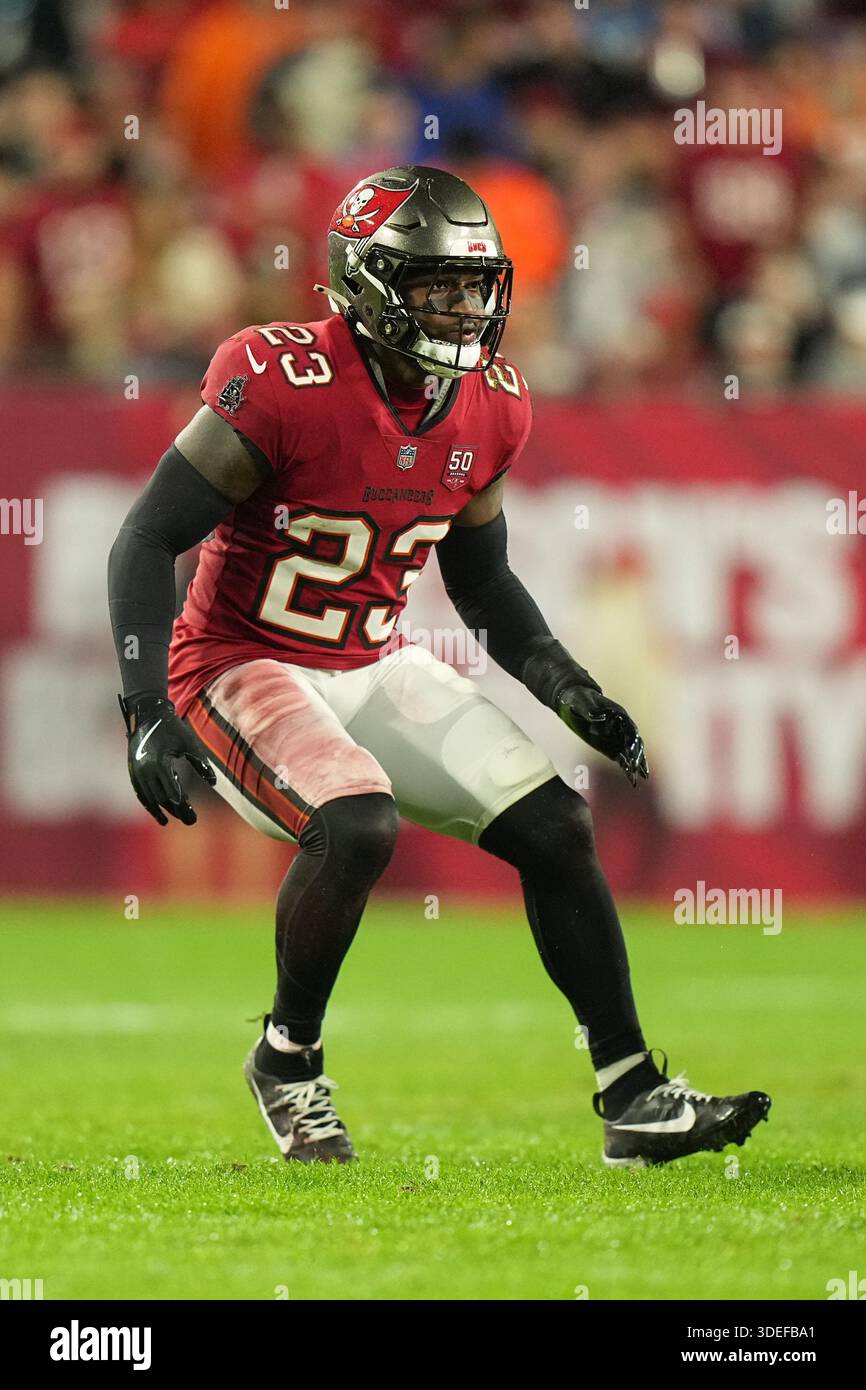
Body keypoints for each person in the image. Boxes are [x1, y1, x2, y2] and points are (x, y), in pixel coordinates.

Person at [108, 165, 771, 1168]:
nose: (462, 308)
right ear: (366, 282)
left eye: (473, 287)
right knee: (357, 821)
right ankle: (287, 1059)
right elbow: (145, 539)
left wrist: (563, 683)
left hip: (372, 658)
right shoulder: (279, 378)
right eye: (434, 285)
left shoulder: (489, 404)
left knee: (555, 825)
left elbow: (485, 584)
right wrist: (145, 707)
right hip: (240, 660)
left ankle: (630, 1094)